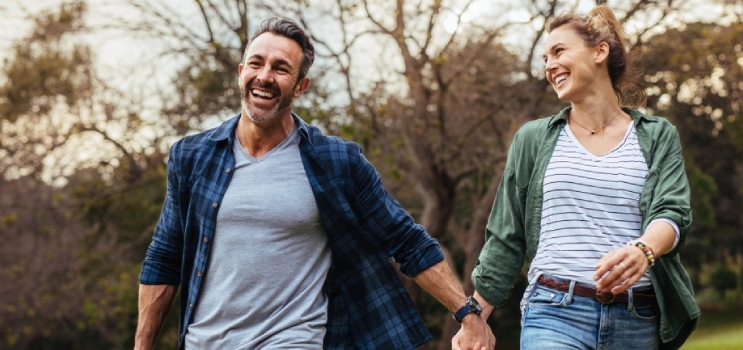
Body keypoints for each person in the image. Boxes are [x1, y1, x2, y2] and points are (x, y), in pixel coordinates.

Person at [134, 17, 495, 350]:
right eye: (256, 63)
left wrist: (468, 312)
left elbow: (407, 240)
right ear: (241, 71)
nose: (264, 76)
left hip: (293, 339)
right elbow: (165, 258)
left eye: (280, 68)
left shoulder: (337, 162)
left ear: (301, 86)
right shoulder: (192, 156)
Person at [454, 5, 699, 350]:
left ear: (600, 51)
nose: (549, 66)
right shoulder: (533, 139)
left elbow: (672, 213)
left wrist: (644, 250)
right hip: (555, 313)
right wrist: (474, 316)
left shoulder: (657, 135)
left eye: (559, 51)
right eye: (544, 59)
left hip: (638, 319)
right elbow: (507, 237)